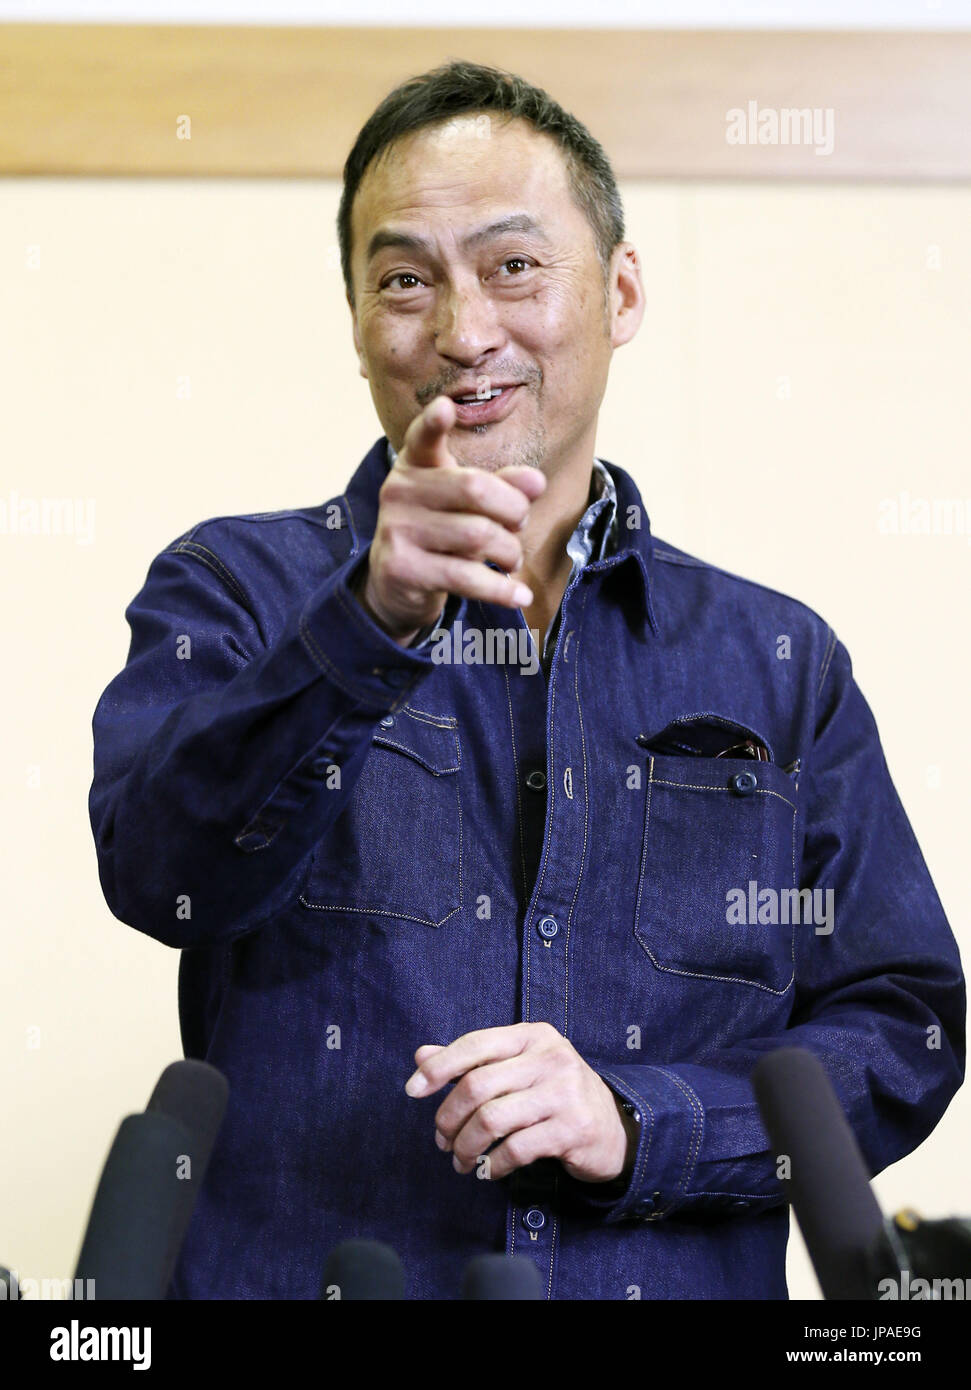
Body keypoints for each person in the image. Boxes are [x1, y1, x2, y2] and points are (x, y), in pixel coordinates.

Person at [88, 60, 964, 1300]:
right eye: (403, 280)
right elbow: (159, 875)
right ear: (353, 322)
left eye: (512, 265)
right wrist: (364, 625)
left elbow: (903, 1024)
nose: (462, 331)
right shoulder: (232, 586)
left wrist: (643, 1119)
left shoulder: (780, 662)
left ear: (618, 290)